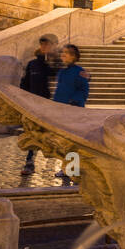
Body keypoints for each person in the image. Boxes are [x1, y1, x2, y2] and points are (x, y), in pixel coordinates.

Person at [18, 34, 58, 175]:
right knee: (32, 133)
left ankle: (69, 167)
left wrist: (53, 59)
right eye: (43, 45)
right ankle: (29, 163)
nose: (45, 47)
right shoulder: (33, 64)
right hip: (34, 105)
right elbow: (25, 83)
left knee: (58, 136)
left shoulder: (56, 63)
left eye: (48, 45)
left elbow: (61, 74)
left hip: (52, 105)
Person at [52, 44, 90, 184]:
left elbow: (84, 90)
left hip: (73, 111)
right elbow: (59, 91)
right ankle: (65, 167)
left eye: (67, 53)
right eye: (62, 53)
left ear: (74, 56)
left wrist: (75, 102)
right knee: (63, 141)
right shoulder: (62, 72)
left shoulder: (80, 72)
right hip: (60, 110)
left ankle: (73, 169)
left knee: (72, 141)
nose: (63, 55)